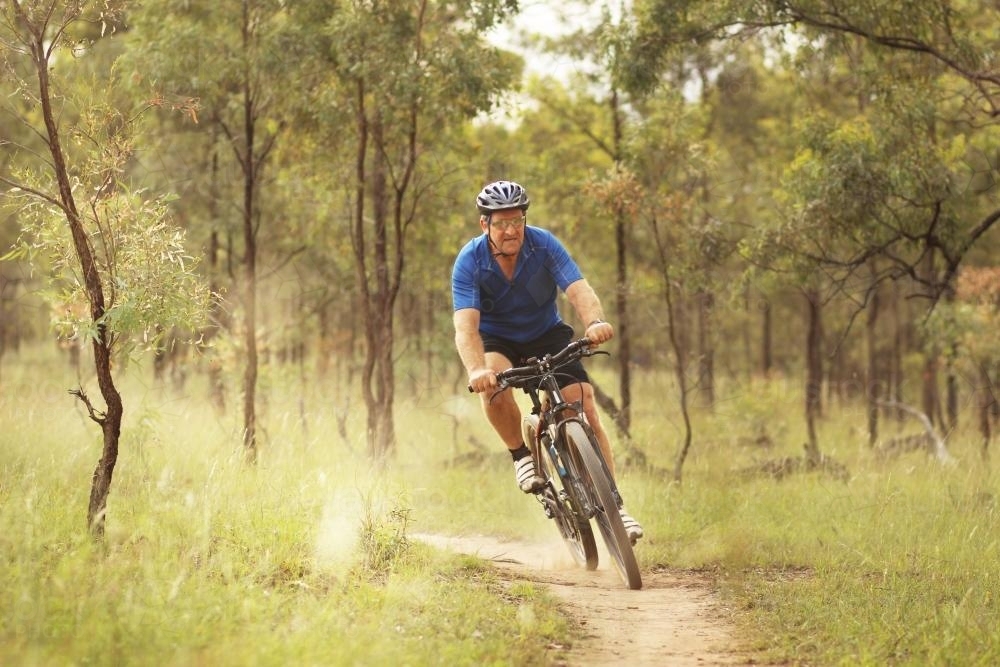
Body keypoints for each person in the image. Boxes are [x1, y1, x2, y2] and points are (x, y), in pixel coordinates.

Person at [451, 179, 643, 542]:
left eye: (517, 221)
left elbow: (578, 289)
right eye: (501, 223)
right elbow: (466, 327)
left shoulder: (543, 244)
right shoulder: (470, 261)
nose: (511, 230)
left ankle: (616, 507)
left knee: (583, 405)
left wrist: (595, 322)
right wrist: (477, 370)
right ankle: (521, 455)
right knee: (492, 385)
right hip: (498, 339)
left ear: (525, 219)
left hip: (546, 333)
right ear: (484, 225)